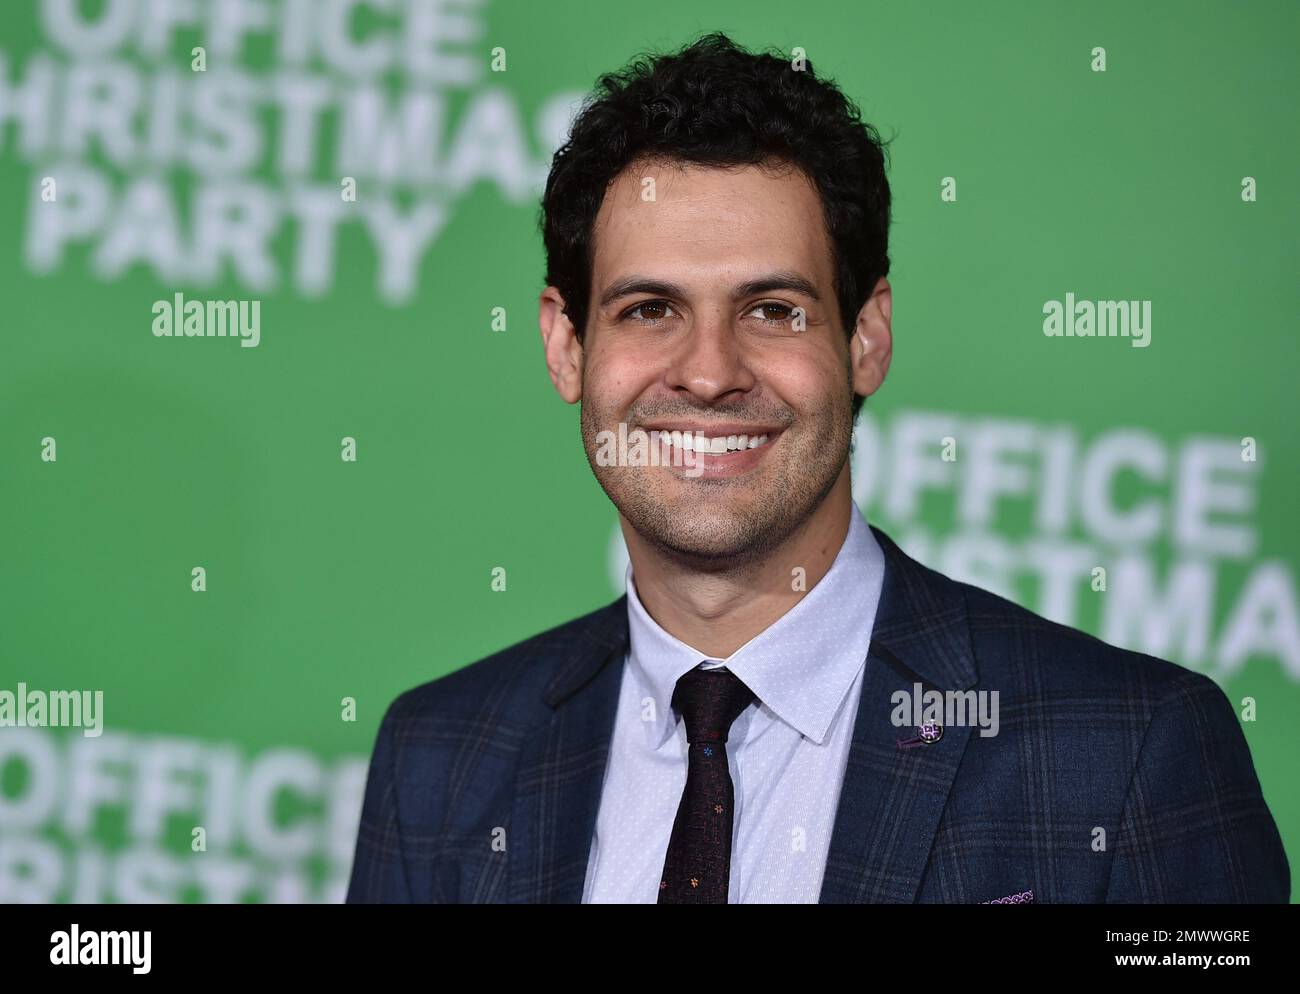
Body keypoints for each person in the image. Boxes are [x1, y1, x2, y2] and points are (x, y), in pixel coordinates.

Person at [346, 32, 1289, 904]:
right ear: (565, 345)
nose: (709, 373)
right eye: (649, 310)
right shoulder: (439, 761)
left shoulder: (1128, 752)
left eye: (772, 310)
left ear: (866, 338)